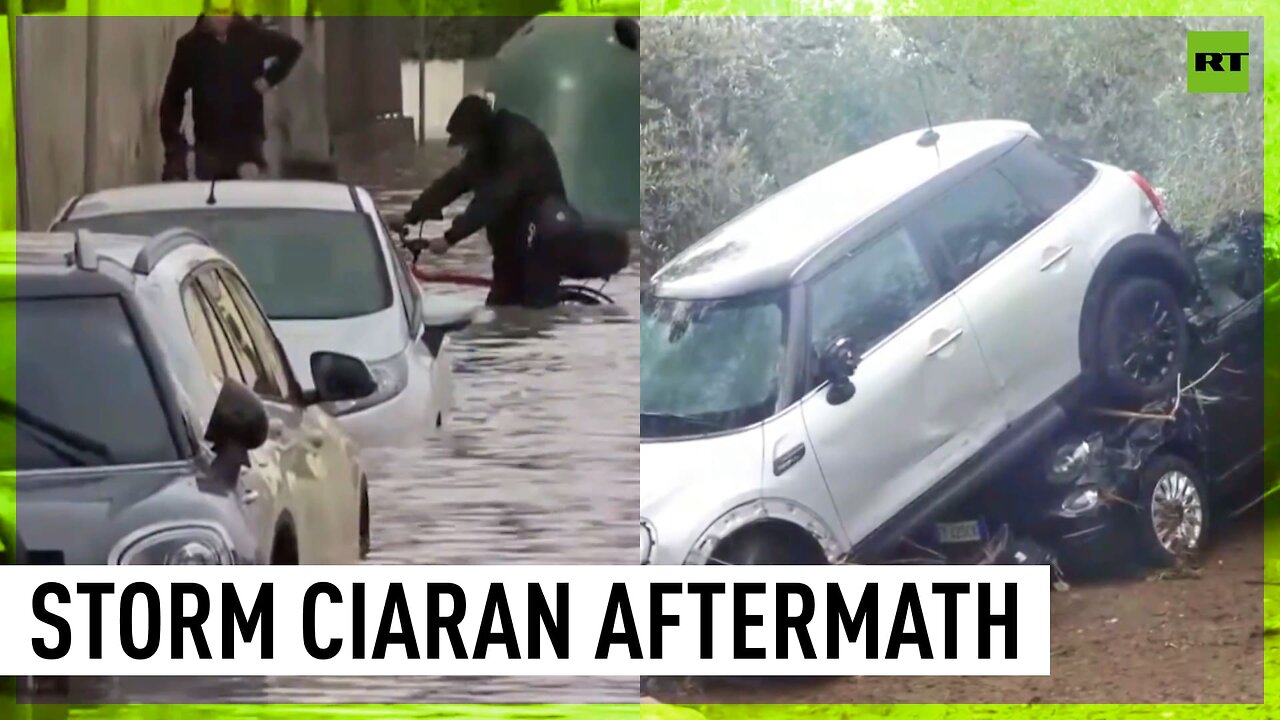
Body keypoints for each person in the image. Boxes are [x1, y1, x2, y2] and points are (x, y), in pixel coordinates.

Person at [399, 95, 572, 309]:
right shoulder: (485, 147)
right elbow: (454, 182)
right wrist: (410, 216)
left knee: (533, 307)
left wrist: (450, 238)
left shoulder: (516, 142)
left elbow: (494, 198)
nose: (465, 149)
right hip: (511, 237)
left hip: (540, 231)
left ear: (477, 133)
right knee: (500, 307)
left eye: (466, 142)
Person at [159, 0, 303, 182]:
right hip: (210, 143)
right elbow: (172, 99)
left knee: (247, 190)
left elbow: (292, 48)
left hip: (247, 141)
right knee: (214, 196)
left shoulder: (250, 36)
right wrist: (175, 152)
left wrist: (269, 78)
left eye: (226, 12)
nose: (222, 19)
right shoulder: (190, 47)